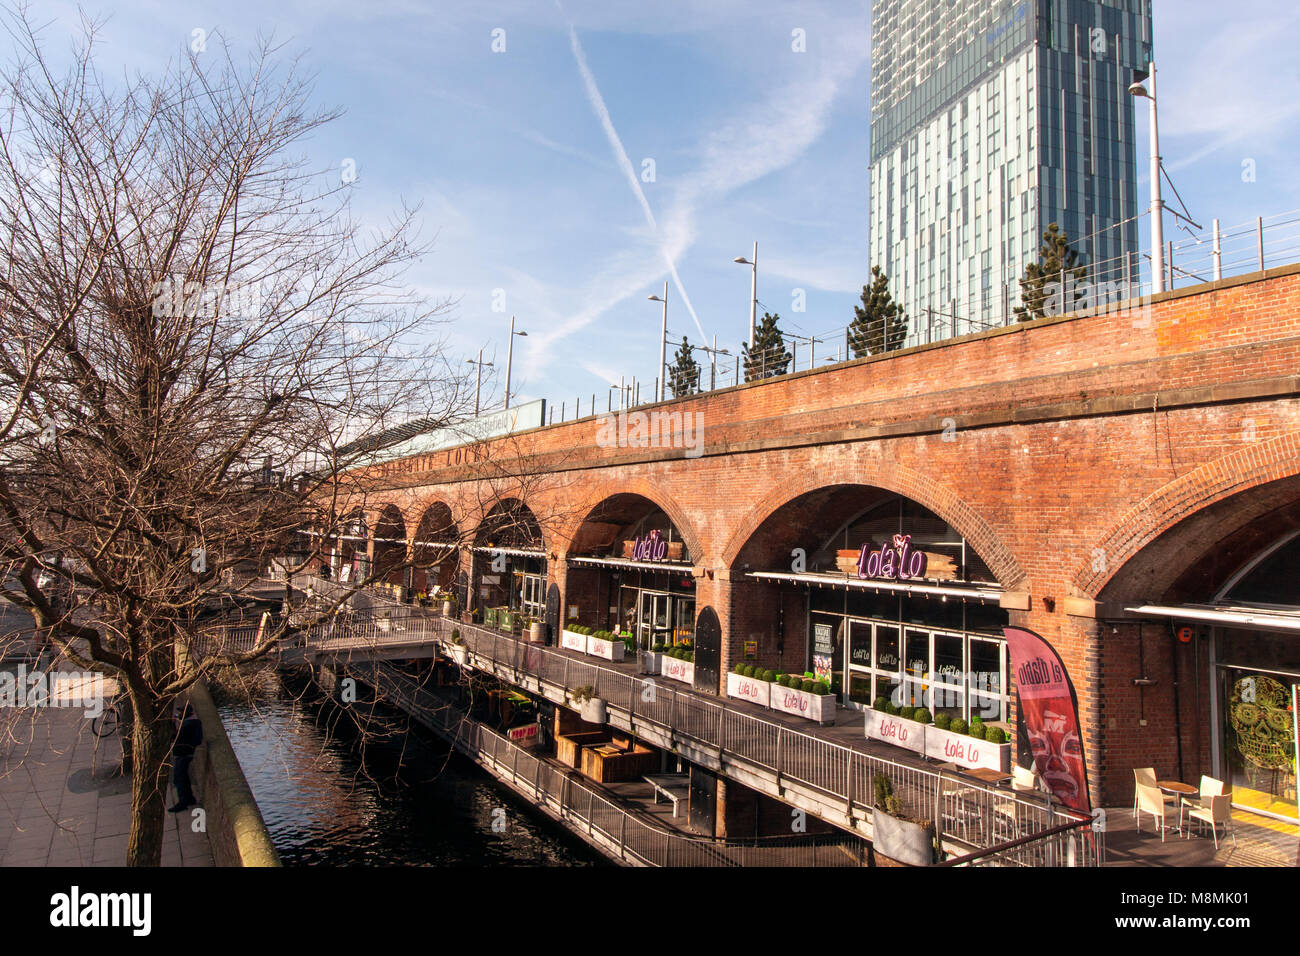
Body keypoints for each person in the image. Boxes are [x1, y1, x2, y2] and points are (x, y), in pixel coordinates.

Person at [168, 703, 204, 813]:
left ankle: (183, 802)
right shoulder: (188, 723)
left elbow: (176, 738)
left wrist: (173, 725)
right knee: (183, 777)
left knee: (179, 778)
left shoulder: (190, 724)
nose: (179, 714)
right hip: (183, 754)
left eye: (181, 712)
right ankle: (189, 798)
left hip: (184, 755)